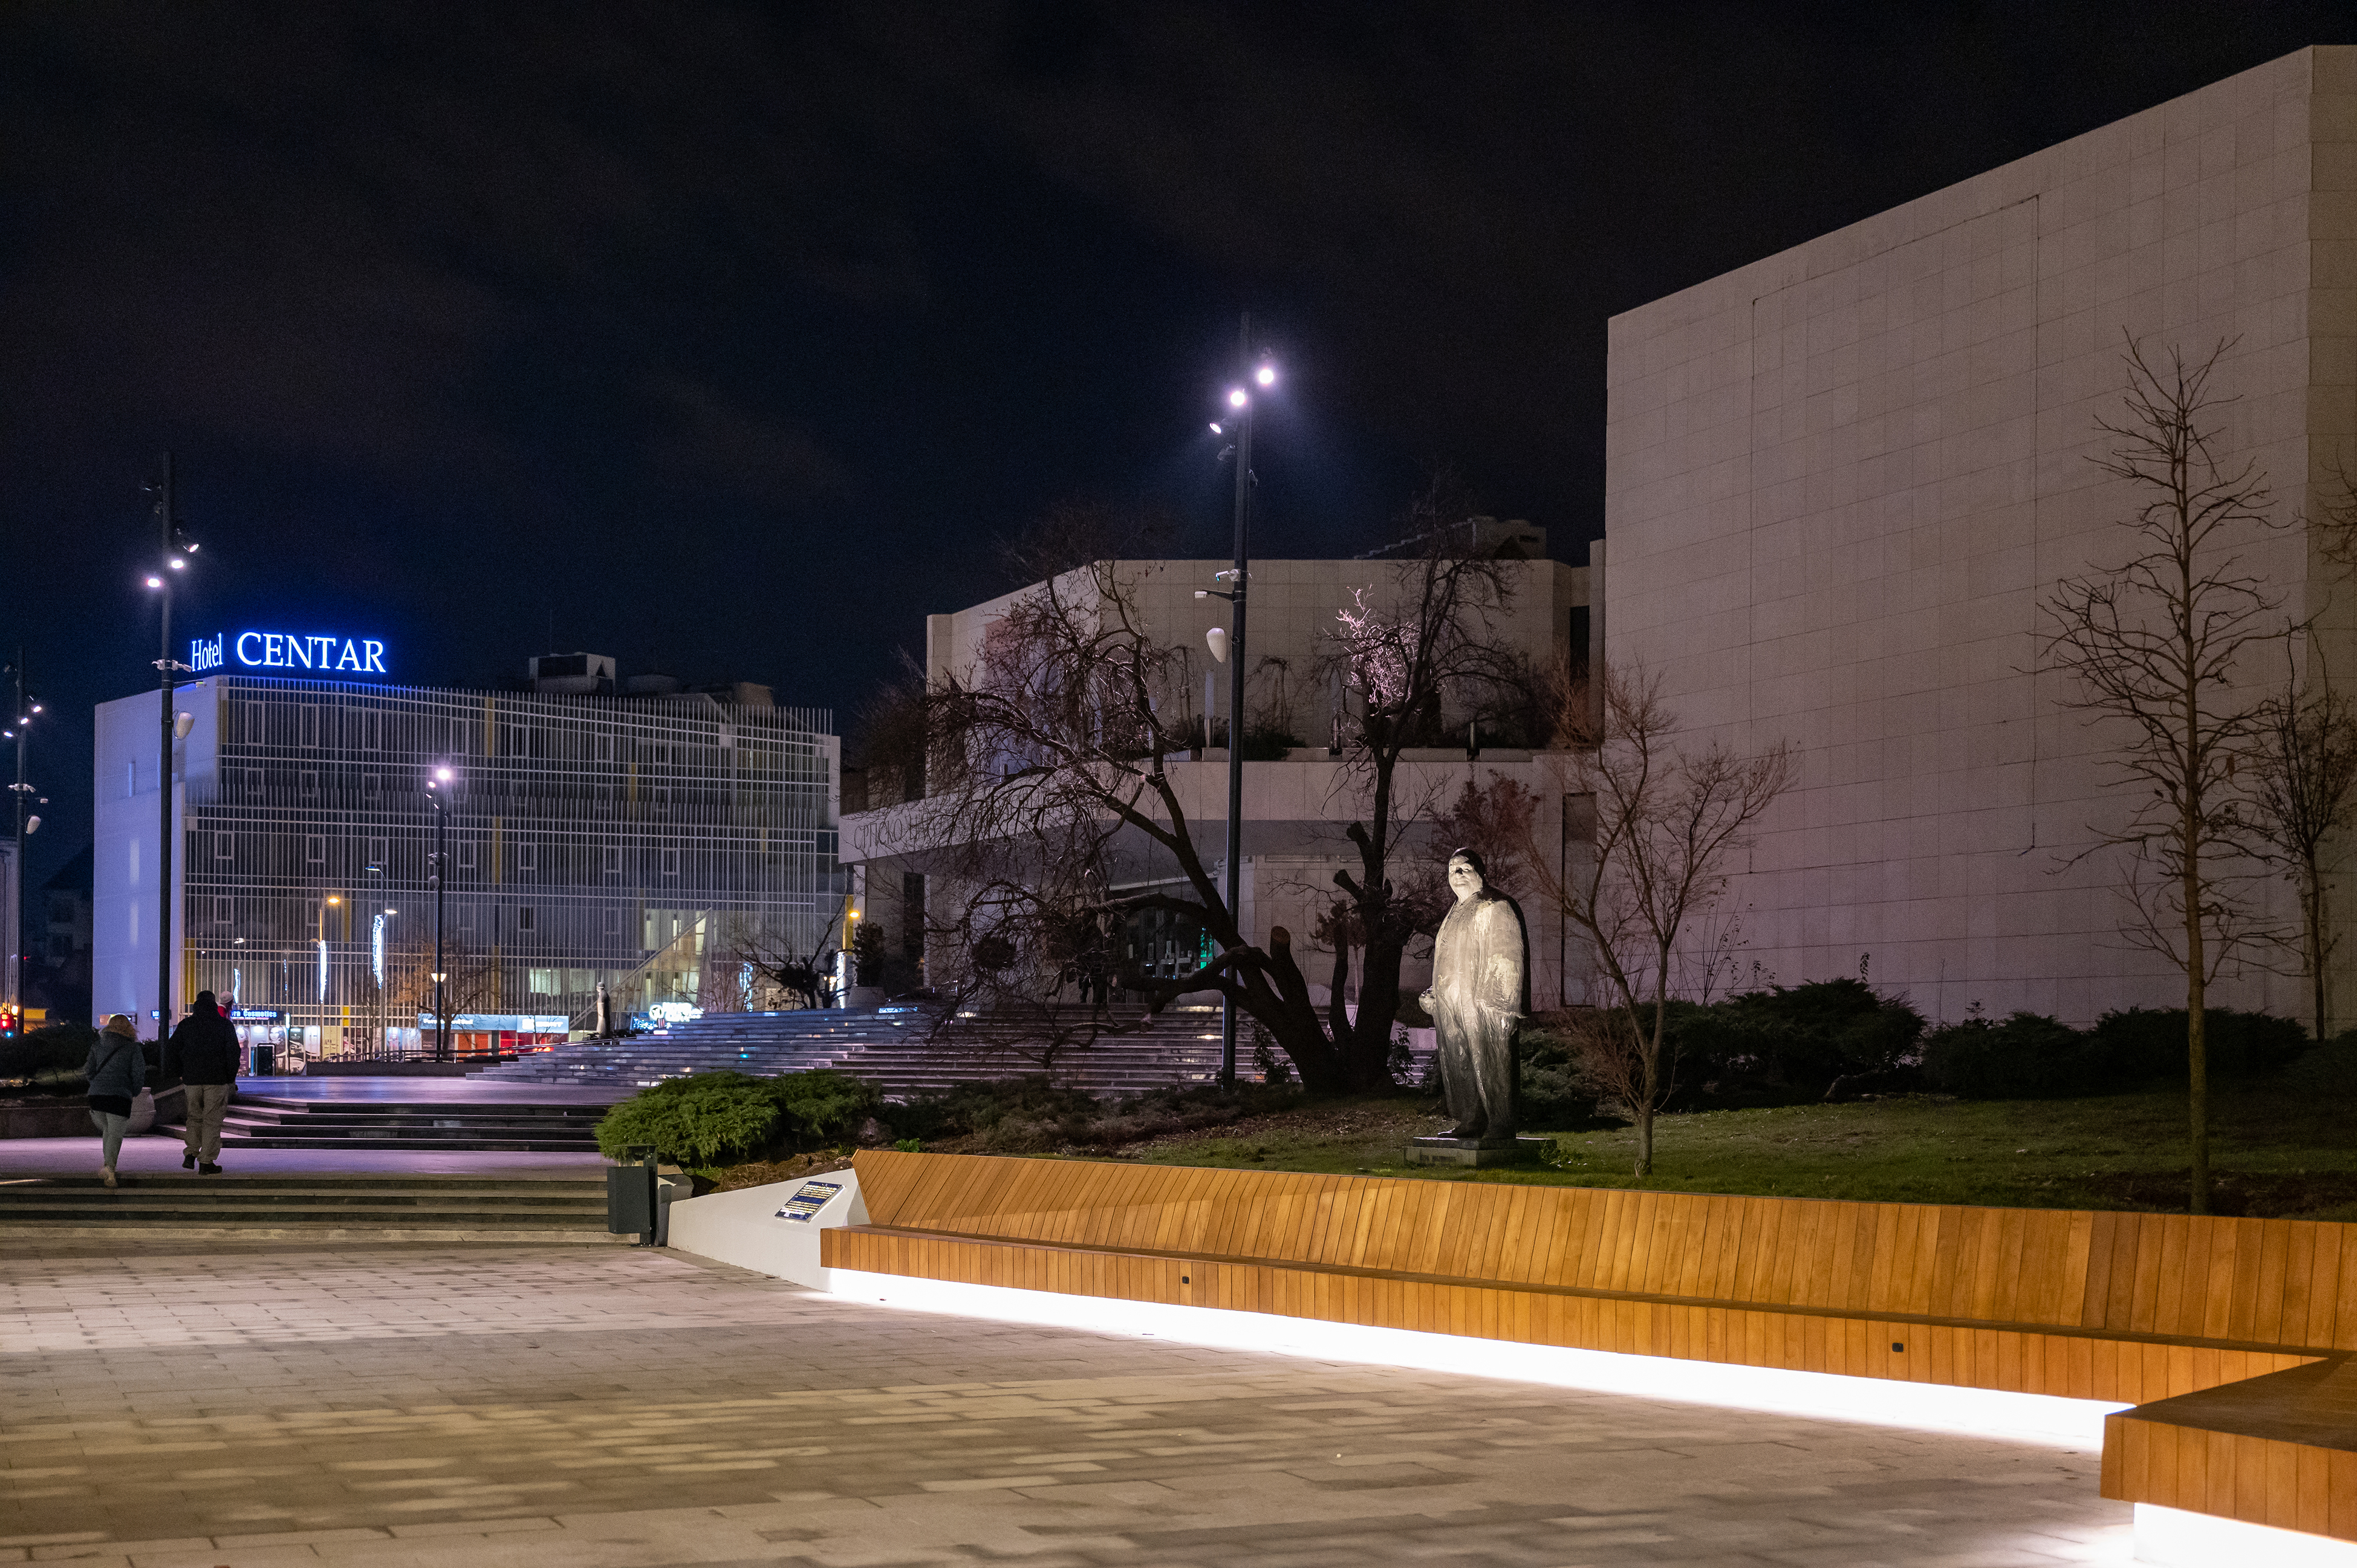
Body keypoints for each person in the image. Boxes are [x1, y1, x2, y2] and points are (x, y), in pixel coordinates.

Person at [1417, 848, 1528, 1144]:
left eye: (1464, 868)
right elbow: (1449, 961)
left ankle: (1500, 1123)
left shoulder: (1496, 906)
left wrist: (1504, 1008)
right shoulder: (1455, 911)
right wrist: (1435, 994)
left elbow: (1508, 959)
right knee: (1460, 1063)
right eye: (1452, 870)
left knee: (1491, 1063)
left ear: (1480, 872)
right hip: (1451, 1006)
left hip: (1484, 1005)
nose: (1457, 875)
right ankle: (1471, 1119)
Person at [164, 990, 240, 1174]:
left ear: (196, 1004)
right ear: (214, 1004)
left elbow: (171, 1050)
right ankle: (206, 1161)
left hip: (192, 1080)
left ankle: (191, 1153)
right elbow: (233, 1053)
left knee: (194, 1117)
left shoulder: (186, 1025)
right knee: (212, 1121)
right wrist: (230, 1078)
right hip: (216, 1080)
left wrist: (179, 1073)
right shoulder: (224, 1025)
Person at [85, 1014, 148, 1188]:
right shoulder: (133, 1048)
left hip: (96, 1097)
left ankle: (108, 1165)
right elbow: (138, 1074)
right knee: (115, 1134)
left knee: (108, 1131)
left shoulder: (97, 1045)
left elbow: (88, 1069)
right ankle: (110, 1169)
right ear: (129, 1028)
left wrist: (98, 1084)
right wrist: (134, 1091)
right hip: (119, 1096)